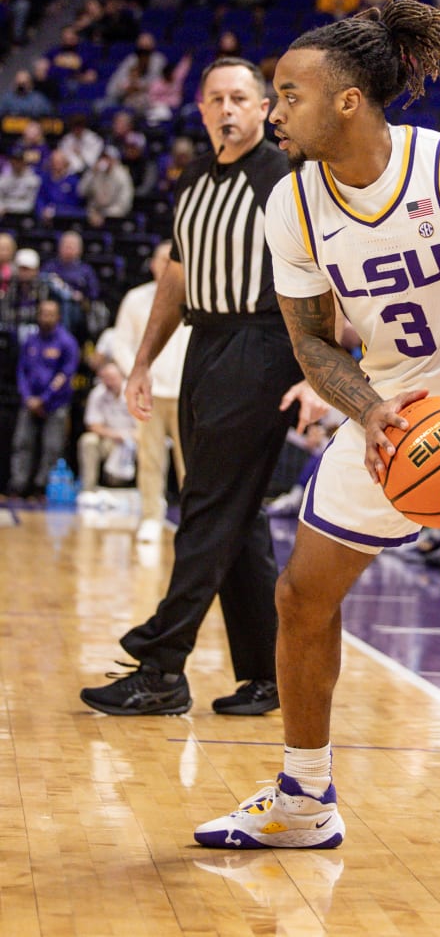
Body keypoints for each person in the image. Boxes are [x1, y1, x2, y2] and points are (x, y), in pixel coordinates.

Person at [192, 0, 440, 903]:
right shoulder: (291, 206)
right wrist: (369, 415)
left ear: (347, 100)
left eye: (288, 93)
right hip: (390, 410)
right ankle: (304, 796)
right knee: (301, 595)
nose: (274, 109)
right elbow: (312, 342)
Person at [80, 56, 327, 719]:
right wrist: (140, 363)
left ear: (264, 107)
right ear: (200, 109)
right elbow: (176, 280)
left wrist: (317, 369)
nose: (228, 109)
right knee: (235, 513)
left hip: (264, 340)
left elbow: (325, 274)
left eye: (241, 98)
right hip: (205, 344)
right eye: (216, 98)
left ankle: (160, 665)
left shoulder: (287, 177)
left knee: (207, 504)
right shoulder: (192, 180)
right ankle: (269, 676)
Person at [112, 240, 190, 542]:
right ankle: (150, 518)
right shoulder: (135, 299)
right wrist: (137, 373)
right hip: (151, 393)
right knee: (150, 458)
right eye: (162, 258)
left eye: (172, 259)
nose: (167, 264)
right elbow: (121, 342)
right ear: (153, 264)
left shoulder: (195, 297)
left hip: (186, 391)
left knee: (191, 464)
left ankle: (192, 523)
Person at [7, 299, 79, 500]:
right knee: (22, 443)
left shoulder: (67, 342)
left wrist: (45, 399)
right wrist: (28, 397)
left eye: (51, 313)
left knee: (52, 446)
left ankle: (42, 488)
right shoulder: (30, 340)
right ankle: (18, 485)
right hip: (29, 402)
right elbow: (21, 370)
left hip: (56, 403)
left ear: (58, 316)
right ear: (38, 315)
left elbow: (65, 375)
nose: (46, 317)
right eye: (43, 313)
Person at [77, 360, 137, 491]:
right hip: (109, 439)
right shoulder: (97, 394)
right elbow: (93, 425)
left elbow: (145, 425)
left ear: (121, 376)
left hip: (135, 440)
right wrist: (115, 435)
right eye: (105, 378)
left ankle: (152, 493)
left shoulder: (134, 393)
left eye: (112, 378)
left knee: (157, 444)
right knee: (88, 441)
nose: (109, 382)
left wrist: (129, 437)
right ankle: (88, 489)